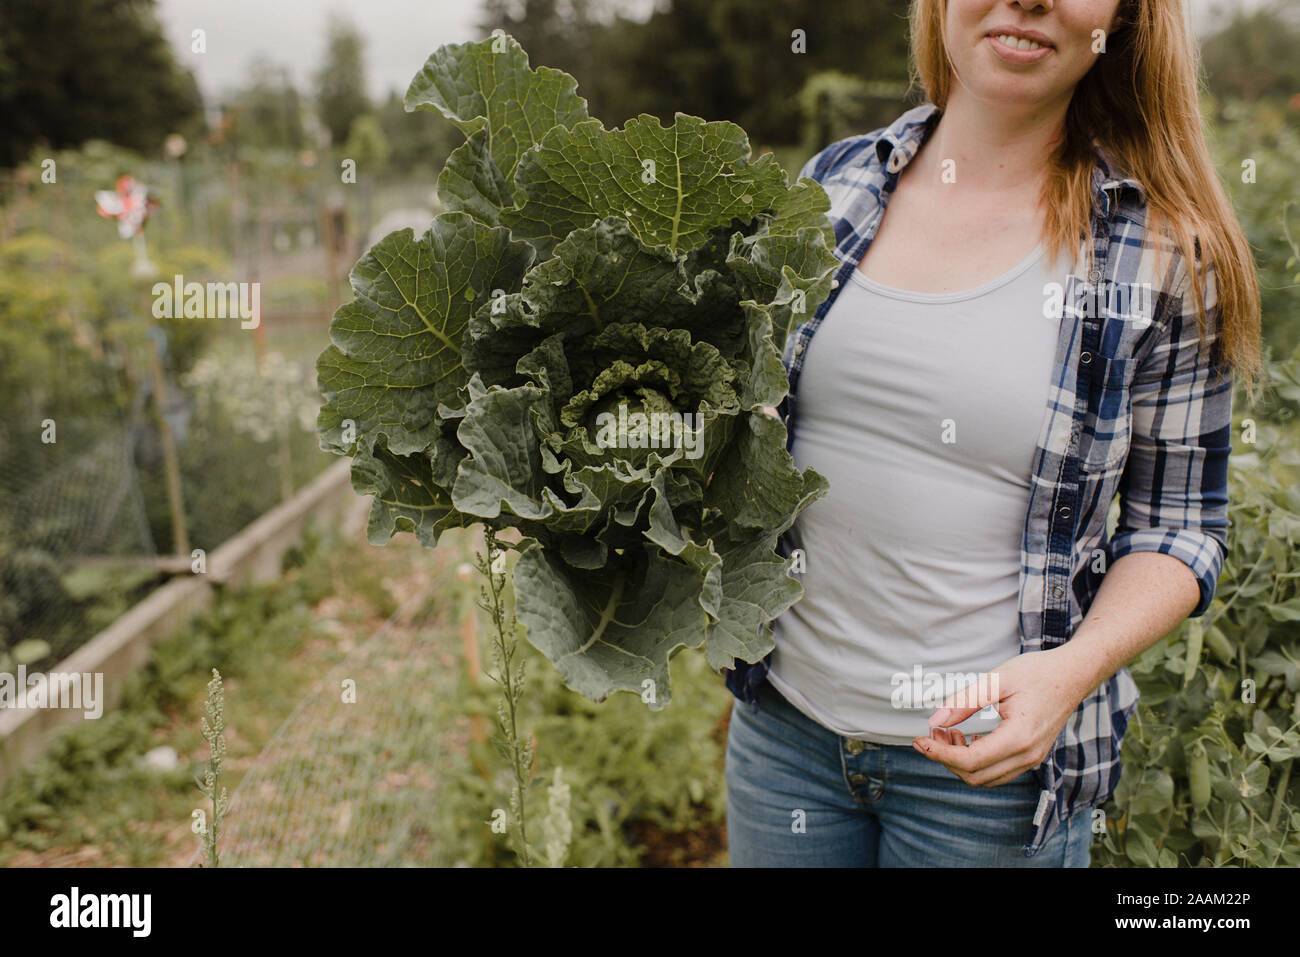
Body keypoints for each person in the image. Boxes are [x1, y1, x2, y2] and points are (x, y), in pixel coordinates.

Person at [723, 0, 1262, 867]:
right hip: (785, 737)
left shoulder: (1162, 253)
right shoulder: (834, 185)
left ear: (1122, 19)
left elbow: (1180, 527)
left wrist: (1069, 672)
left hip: (986, 773)